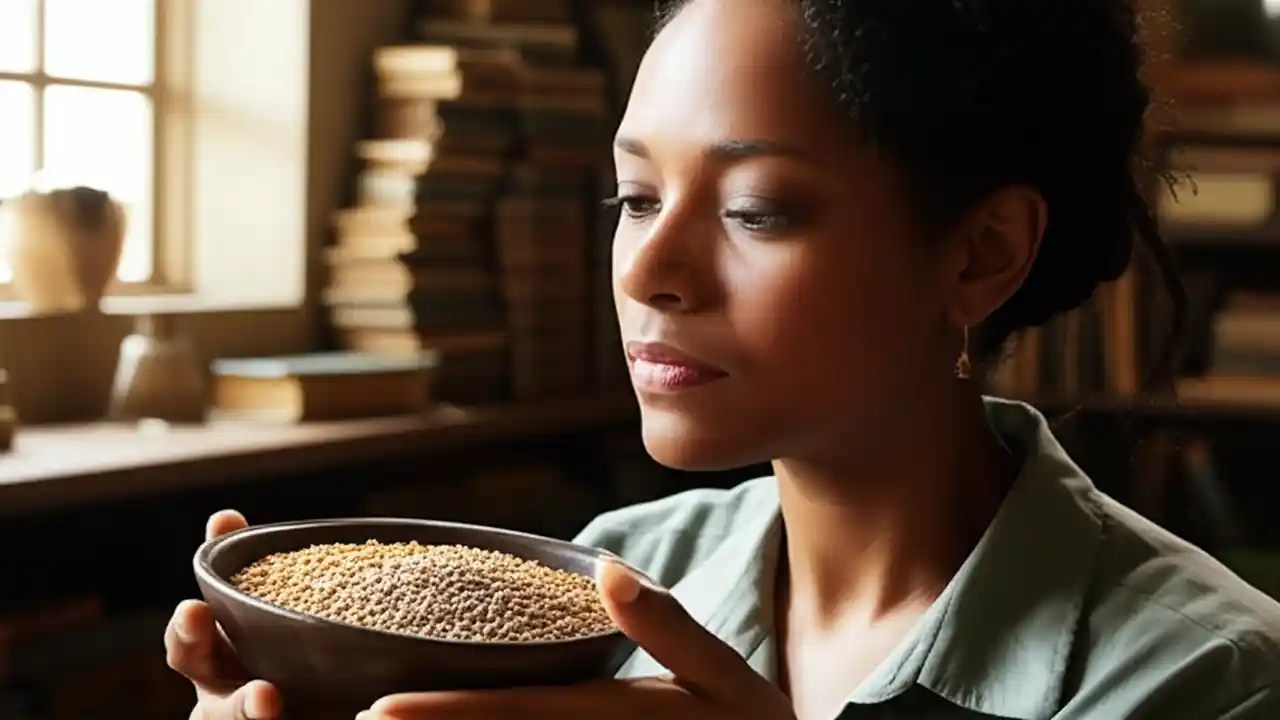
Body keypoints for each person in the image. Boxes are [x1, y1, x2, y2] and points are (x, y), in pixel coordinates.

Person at [166, 0, 1280, 717]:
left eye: (755, 211)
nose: (649, 269)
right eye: (635, 196)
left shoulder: (1209, 679)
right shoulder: (599, 583)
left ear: (980, 253)